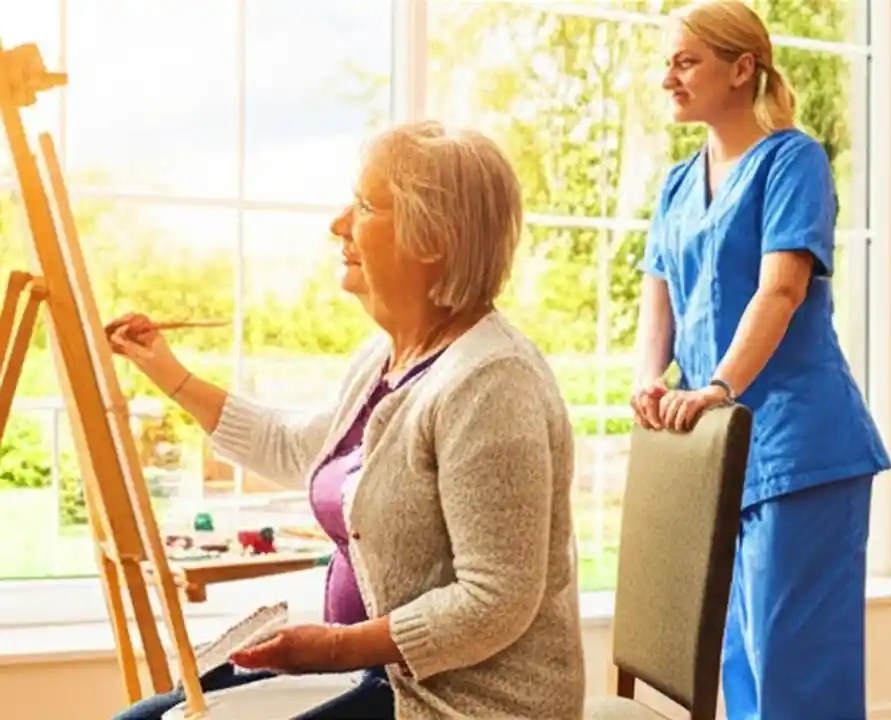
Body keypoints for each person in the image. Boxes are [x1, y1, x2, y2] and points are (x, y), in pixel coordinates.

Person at [108, 121, 585, 720]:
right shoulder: (385, 359)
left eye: (363, 205)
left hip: (460, 704)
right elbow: (293, 447)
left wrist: (333, 647)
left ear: (431, 237)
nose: (339, 224)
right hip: (375, 679)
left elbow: (496, 600)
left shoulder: (491, 382)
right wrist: (169, 374)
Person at [630, 2, 891, 717]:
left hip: (800, 448)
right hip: (720, 451)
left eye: (685, 61)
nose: (668, 78)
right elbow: (659, 297)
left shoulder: (793, 160)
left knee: (793, 670)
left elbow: (781, 288)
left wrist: (716, 385)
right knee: (739, 664)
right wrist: (648, 380)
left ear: (742, 69)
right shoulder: (678, 184)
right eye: (667, 62)